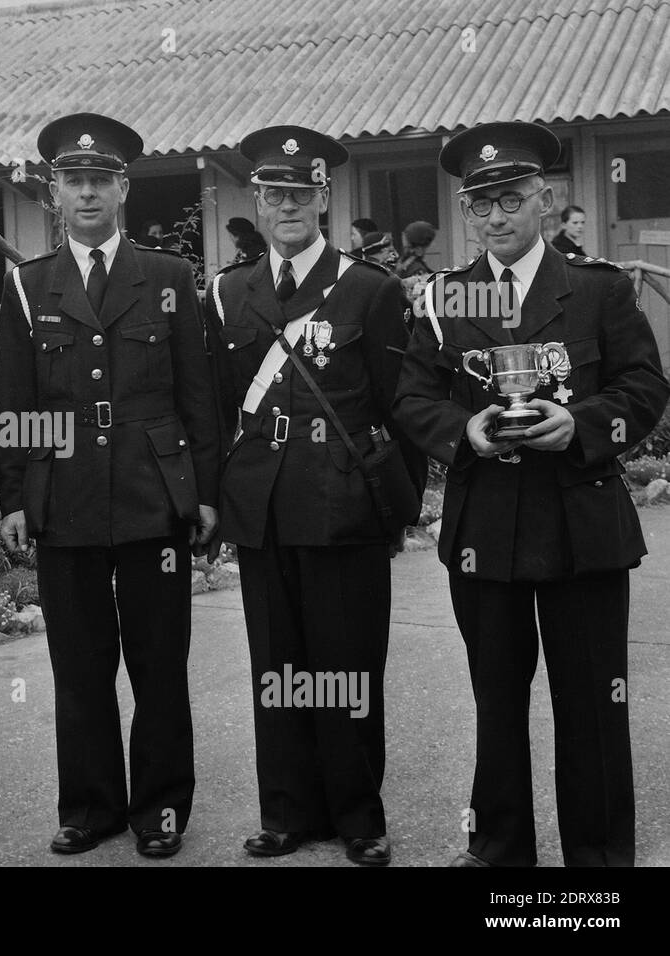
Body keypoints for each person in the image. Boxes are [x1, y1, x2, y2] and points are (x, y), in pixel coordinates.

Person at [394, 121, 670, 867]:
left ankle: (601, 857)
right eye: (479, 206)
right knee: (495, 701)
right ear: (465, 214)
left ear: (544, 200)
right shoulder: (444, 299)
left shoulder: (598, 288)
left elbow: (645, 387)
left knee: (594, 701)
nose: (496, 218)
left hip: (581, 519)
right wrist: (467, 429)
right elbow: (413, 397)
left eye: (511, 199)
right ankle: (496, 847)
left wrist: (577, 424)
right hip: (488, 520)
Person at [0, 112, 221, 858]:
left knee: (159, 665)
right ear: (53, 194)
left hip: (154, 494)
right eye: (73, 182)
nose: (87, 194)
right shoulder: (28, 286)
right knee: (80, 667)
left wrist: (206, 493)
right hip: (67, 498)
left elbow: (200, 395)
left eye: (100, 180)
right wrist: (14, 499)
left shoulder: (168, 277)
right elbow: (13, 404)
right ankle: (90, 807)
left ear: (123, 188)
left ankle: (159, 809)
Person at [203, 126, 425, 866]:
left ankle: (359, 814)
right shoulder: (230, 291)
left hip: (344, 504)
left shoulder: (370, 288)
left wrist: (396, 506)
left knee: (348, 663)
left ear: (324, 199)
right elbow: (218, 403)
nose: (287, 205)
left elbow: (403, 409)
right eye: (274, 194)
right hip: (263, 505)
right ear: (257, 203)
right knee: (280, 666)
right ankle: (288, 811)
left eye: (301, 193)